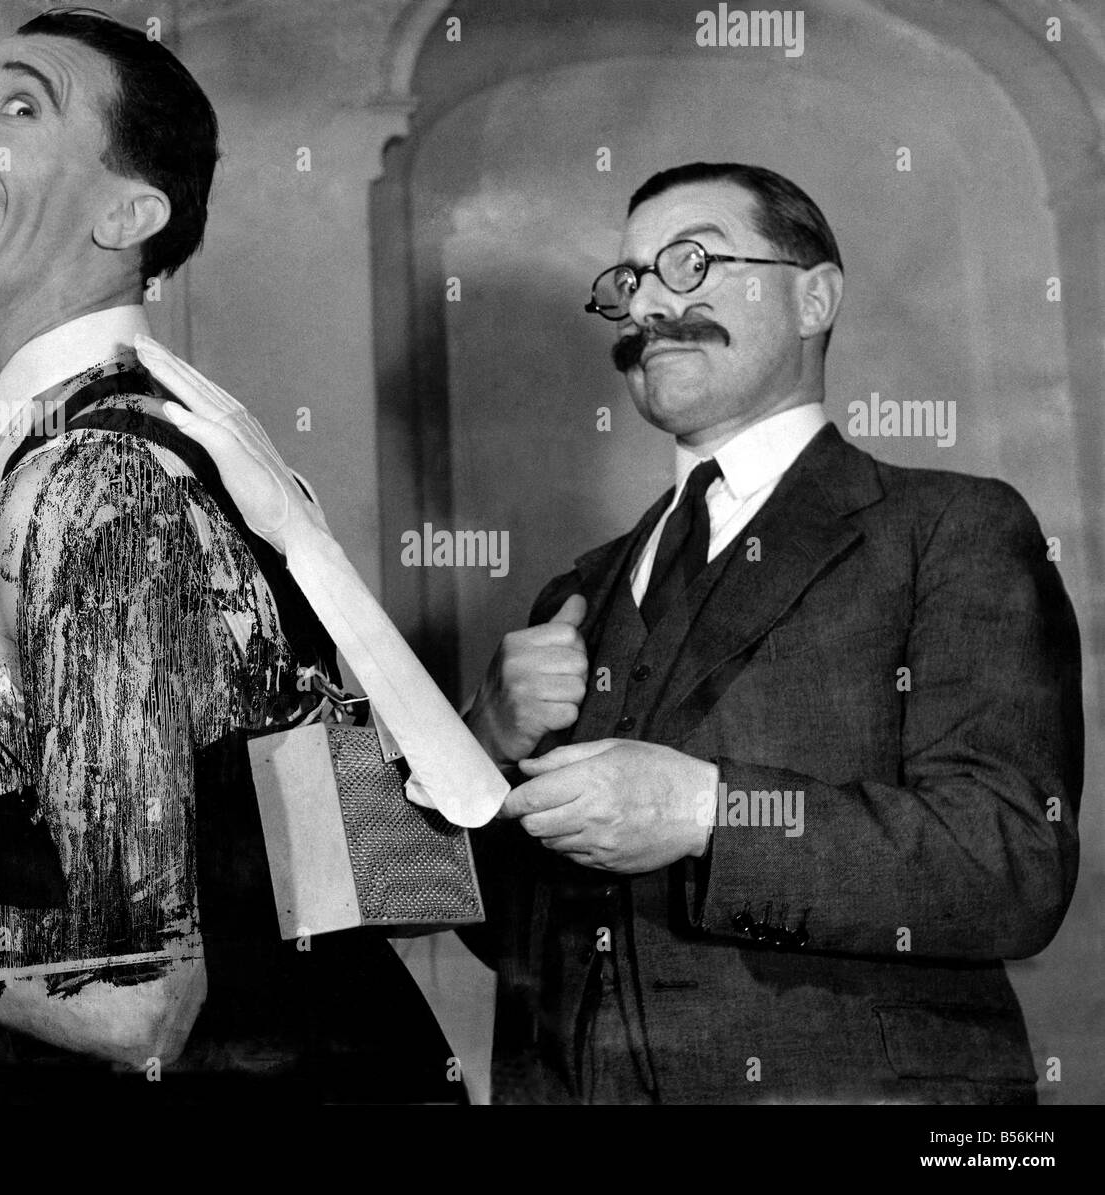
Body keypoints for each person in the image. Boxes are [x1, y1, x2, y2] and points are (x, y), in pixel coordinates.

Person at [0, 7, 456, 1104]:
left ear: (128, 215)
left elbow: (135, 999)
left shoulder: (99, 479)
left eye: (20, 104)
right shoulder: (156, 438)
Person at [464, 161, 1083, 1105]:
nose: (647, 310)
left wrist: (711, 813)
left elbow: (1009, 862)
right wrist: (487, 741)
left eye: (692, 262)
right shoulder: (577, 589)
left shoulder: (950, 529)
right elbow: (503, 930)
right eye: (629, 282)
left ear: (814, 296)